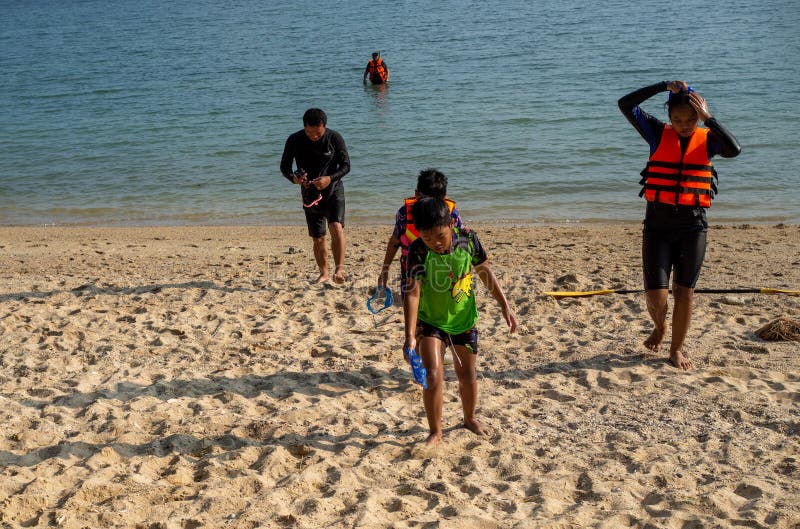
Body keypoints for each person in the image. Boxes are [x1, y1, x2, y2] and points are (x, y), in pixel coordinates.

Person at [618, 80, 741, 370]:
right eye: (677, 119)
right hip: (658, 226)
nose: (684, 125)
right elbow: (625, 104)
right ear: (670, 118)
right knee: (656, 295)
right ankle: (660, 327)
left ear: (698, 116)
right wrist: (663, 87)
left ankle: (676, 348)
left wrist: (709, 117)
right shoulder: (656, 133)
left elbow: (734, 149)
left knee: (685, 292)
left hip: (692, 226)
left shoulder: (709, 139)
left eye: (690, 119)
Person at [403, 197, 517, 446]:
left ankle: (469, 418)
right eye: (427, 238)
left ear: (450, 224)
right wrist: (409, 335)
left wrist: (504, 305)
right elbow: (412, 292)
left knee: (467, 375)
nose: (435, 243)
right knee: (433, 376)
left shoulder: (467, 239)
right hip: (430, 321)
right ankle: (435, 431)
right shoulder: (418, 250)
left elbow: (485, 272)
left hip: (463, 319)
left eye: (440, 237)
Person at [280, 108, 351, 284]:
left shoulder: (334, 138)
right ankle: (324, 273)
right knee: (318, 237)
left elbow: (346, 166)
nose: (313, 136)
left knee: (336, 227)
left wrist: (329, 178)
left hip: (333, 189)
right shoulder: (294, 140)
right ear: (304, 127)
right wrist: (294, 179)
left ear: (324, 127)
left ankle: (339, 270)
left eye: (318, 133)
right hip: (309, 193)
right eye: (309, 132)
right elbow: (284, 167)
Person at [377, 168, 463, 296]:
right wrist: (385, 269)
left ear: (444, 198)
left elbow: (460, 246)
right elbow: (395, 242)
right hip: (412, 269)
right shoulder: (404, 215)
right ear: (417, 195)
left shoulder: (451, 216)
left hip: (441, 270)